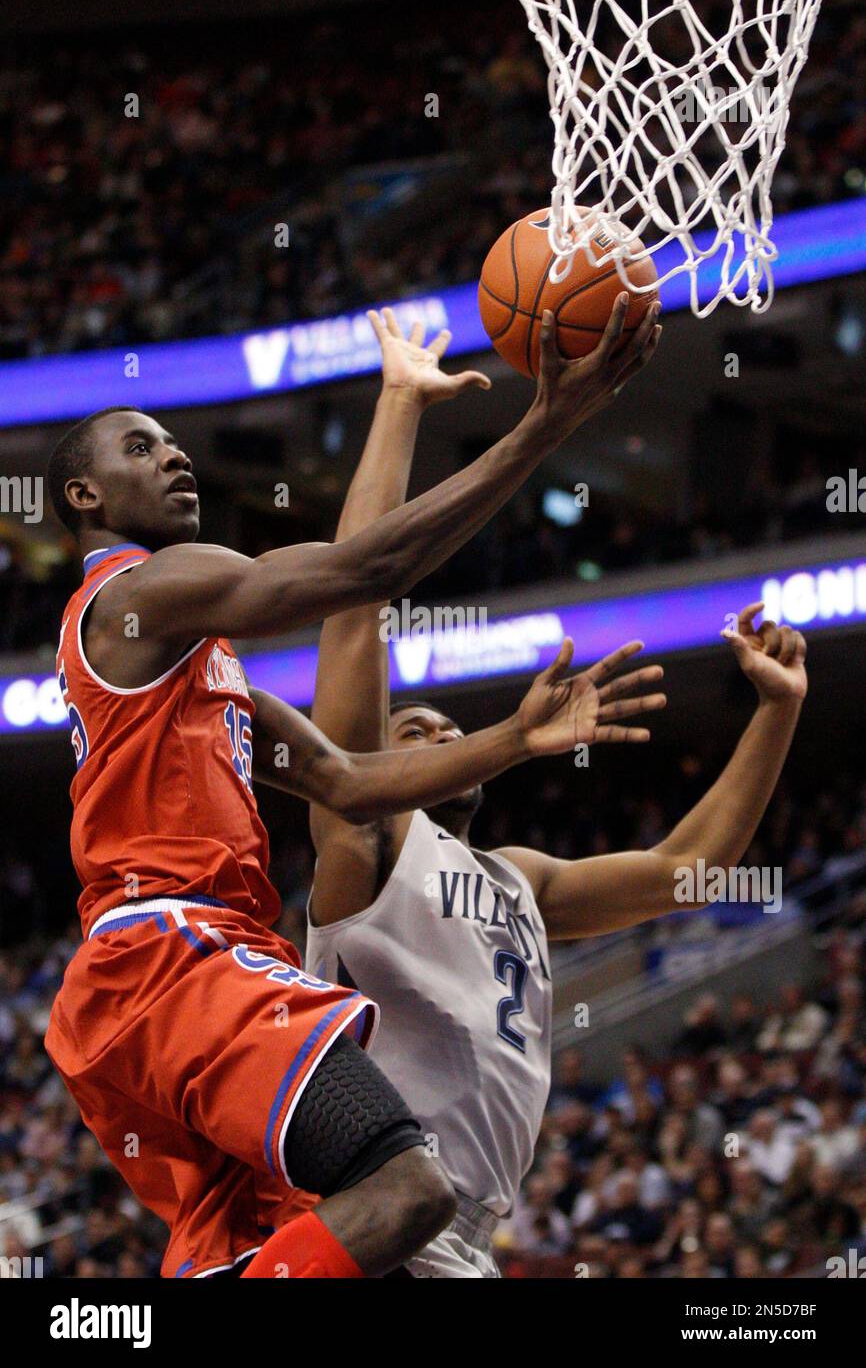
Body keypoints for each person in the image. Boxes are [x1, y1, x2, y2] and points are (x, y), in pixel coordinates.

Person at [42, 297, 660, 1280]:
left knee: (273, 1239)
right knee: (408, 1188)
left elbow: (342, 775)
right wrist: (543, 426)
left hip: (165, 972)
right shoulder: (137, 590)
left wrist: (509, 738)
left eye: (173, 444)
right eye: (140, 444)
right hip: (173, 954)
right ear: (81, 494)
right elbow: (359, 572)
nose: (174, 457)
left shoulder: (191, 655)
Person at [305, 311, 809, 1276]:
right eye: (415, 733)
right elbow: (352, 605)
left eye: (453, 728)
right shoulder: (360, 845)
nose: (444, 735)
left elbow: (688, 872)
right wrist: (399, 405)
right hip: (375, 1219)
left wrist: (775, 712)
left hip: (462, 1235)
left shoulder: (519, 880)